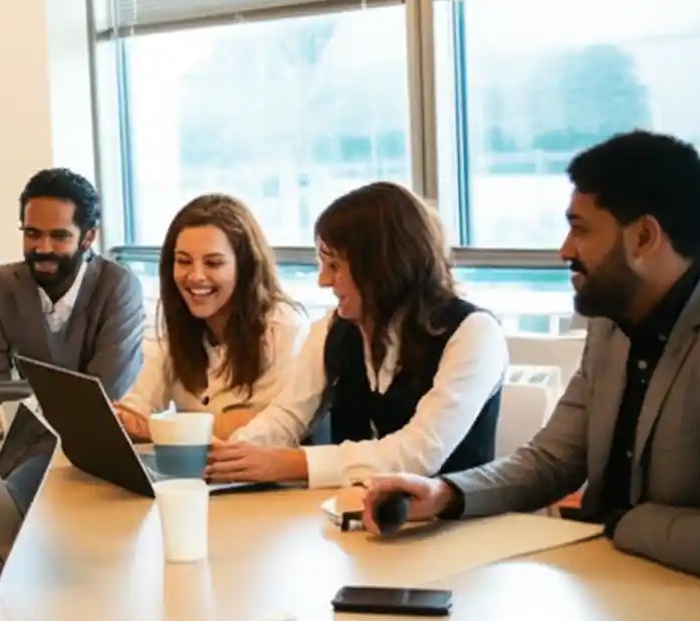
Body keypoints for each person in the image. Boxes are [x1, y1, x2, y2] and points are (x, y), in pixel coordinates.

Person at [362, 131, 700, 589]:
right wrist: (447, 493)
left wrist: (622, 520)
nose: (565, 250)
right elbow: (553, 460)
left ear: (644, 237)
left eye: (581, 228)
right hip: (613, 586)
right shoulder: (613, 319)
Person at [208, 182, 508, 488]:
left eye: (334, 266)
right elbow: (287, 415)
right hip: (355, 516)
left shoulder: (474, 333)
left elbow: (418, 454)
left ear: (383, 266)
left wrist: (290, 463)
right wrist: (229, 456)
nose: (323, 281)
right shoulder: (332, 328)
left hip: (458, 526)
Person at [114, 194, 309, 441]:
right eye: (183, 261)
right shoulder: (173, 321)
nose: (195, 276)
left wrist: (159, 429)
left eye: (213, 263)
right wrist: (123, 419)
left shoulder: (283, 327)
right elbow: (136, 409)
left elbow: (263, 426)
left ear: (245, 267)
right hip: (197, 473)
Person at [0, 167, 145, 403]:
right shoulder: (1, 285)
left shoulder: (118, 286)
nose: (43, 248)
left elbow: (103, 395)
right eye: (32, 233)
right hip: (24, 436)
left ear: (88, 238)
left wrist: (19, 396)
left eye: (59, 236)